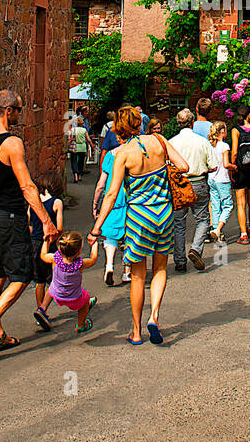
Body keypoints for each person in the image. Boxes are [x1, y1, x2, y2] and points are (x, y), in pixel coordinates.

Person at [0, 89, 58, 359]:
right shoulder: (12, 143)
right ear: (8, 112)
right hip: (9, 217)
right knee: (21, 276)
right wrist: (46, 221)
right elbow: (28, 186)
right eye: (19, 110)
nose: (20, 114)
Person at [89, 105, 190, 345]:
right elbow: (184, 166)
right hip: (164, 213)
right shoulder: (159, 140)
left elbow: (112, 194)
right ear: (140, 122)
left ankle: (136, 331)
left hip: (138, 217)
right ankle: (154, 316)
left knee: (137, 275)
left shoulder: (122, 154)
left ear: (119, 128)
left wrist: (97, 228)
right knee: (161, 268)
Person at [169, 108, 217, 271]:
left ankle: (180, 260)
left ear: (178, 123)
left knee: (178, 223)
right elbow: (214, 165)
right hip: (198, 182)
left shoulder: (172, 142)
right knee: (202, 219)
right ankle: (196, 248)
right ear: (192, 123)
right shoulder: (202, 141)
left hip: (179, 184)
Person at [34, 231, 99, 333]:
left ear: (60, 248)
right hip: (73, 298)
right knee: (85, 300)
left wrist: (46, 241)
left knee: (52, 286)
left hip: (56, 294)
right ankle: (81, 325)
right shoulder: (80, 264)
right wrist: (95, 244)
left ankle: (42, 308)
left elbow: (43, 255)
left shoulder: (55, 259)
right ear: (79, 251)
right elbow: (93, 259)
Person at [92, 137, 128, 287]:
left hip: (111, 199)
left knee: (109, 234)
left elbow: (101, 183)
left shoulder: (110, 155)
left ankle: (109, 266)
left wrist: (95, 203)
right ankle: (127, 271)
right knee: (128, 235)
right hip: (129, 198)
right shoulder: (134, 152)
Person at [27, 173, 64, 313]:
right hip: (51, 245)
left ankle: (40, 309)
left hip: (35, 244)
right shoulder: (56, 202)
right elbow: (59, 227)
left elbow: (29, 225)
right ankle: (44, 308)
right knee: (56, 278)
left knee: (39, 281)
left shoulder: (33, 203)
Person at [230, 110, 250, 244]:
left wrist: (233, 168)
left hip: (241, 170)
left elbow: (234, 152)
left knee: (241, 203)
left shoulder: (235, 131)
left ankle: (243, 234)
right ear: (249, 116)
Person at [207, 120, 234, 243]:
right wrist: (235, 167)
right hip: (222, 178)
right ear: (222, 131)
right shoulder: (224, 146)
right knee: (228, 205)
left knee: (215, 204)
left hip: (211, 178)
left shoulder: (210, 145)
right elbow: (226, 164)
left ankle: (215, 229)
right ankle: (218, 229)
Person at [71, 113, 89, 182]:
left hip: (75, 147)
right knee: (81, 162)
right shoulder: (84, 130)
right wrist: (91, 145)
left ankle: (75, 175)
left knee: (74, 161)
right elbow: (88, 139)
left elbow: (71, 138)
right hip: (83, 147)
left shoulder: (73, 130)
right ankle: (80, 175)